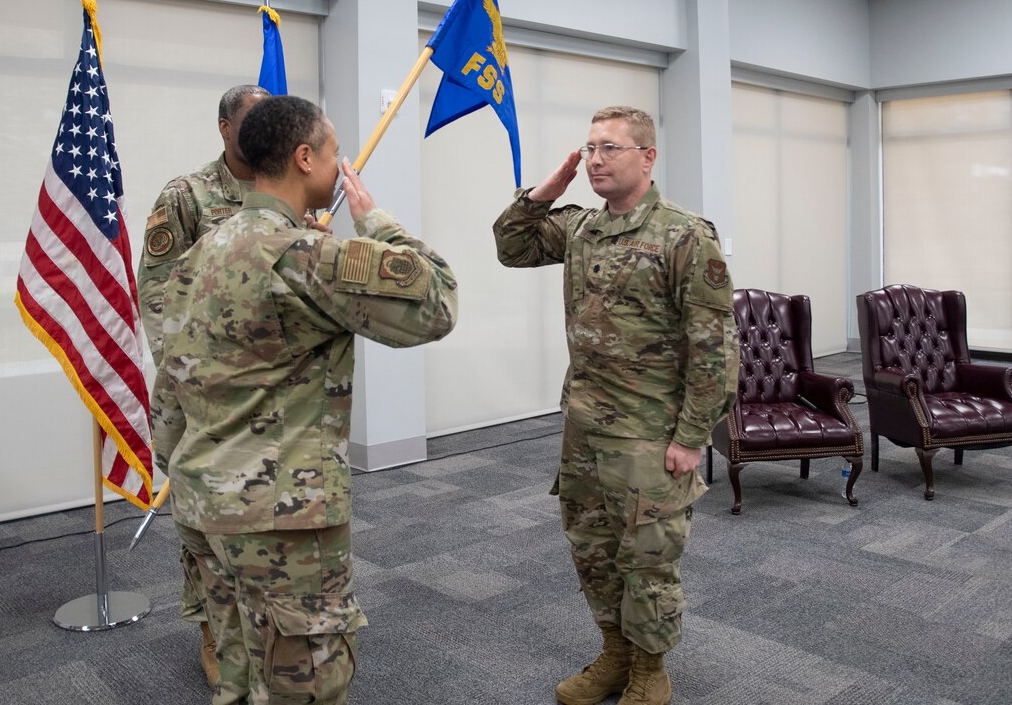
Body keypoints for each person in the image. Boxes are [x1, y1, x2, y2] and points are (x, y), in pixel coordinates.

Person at [151, 95, 458, 705]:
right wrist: (376, 222)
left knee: (238, 675)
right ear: (303, 157)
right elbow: (438, 303)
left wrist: (180, 470)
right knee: (304, 682)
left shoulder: (199, 255)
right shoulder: (306, 256)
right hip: (281, 518)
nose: (340, 165)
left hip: (201, 505)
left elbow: (171, 381)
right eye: (334, 152)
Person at [492, 106, 738, 705]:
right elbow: (512, 245)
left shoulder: (684, 236)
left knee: (649, 558)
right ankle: (615, 652)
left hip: (650, 434)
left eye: (610, 148)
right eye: (590, 147)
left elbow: (715, 348)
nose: (596, 158)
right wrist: (544, 192)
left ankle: (650, 670)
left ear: (647, 158)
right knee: (593, 550)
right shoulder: (581, 228)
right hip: (583, 431)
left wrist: (691, 437)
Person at [137, 84, 270, 688]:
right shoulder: (187, 196)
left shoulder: (279, 191)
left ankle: (265, 626)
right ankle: (213, 630)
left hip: (267, 395)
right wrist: (194, 378)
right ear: (223, 127)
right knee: (203, 519)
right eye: (250, 120)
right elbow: (159, 294)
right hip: (206, 393)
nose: (263, 127)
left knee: (265, 514)